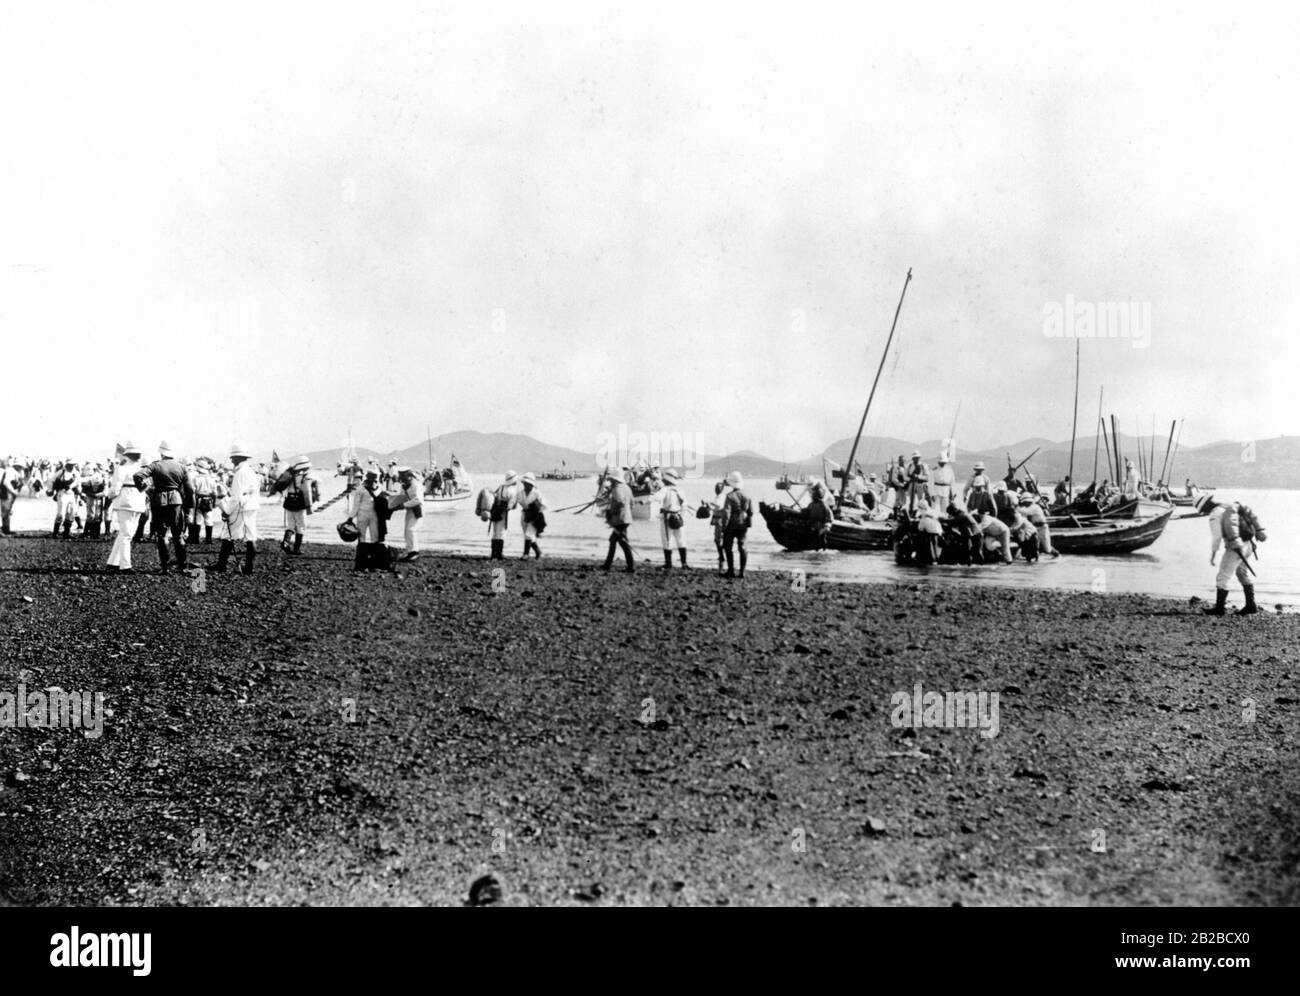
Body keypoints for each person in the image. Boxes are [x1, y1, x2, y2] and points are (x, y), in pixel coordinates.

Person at [1198, 494, 1266, 615]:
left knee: (1222, 577)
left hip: (1236, 548)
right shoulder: (1228, 506)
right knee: (1242, 573)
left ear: (1204, 508)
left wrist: (1213, 554)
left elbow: (1217, 536)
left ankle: (1219, 609)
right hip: (1248, 544)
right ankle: (1251, 605)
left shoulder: (1214, 515)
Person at [139, 441, 192, 574]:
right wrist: (189, 508)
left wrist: (142, 488)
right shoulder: (181, 467)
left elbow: (138, 475)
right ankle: (182, 567)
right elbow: (190, 489)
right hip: (176, 501)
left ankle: (165, 568)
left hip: (159, 501)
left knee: (162, 535)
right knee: (178, 535)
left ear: (161, 453)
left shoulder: (155, 465)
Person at [208, 442, 260, 575]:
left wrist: (226, 511)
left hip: (241, 507)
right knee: (250, 535)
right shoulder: (251, 472)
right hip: (251, 506)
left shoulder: (240, 473)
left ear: (238, 458)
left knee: (228, 534)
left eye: (233, 457)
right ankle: (249, 568)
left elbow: (236, 497)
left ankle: (221, 565)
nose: (231, 460)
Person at [106, 443, 148, 571]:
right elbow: (117, 486)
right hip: (131, 501)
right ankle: (125, 565)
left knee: (126, 533)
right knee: (126, 534)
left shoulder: (124, 468)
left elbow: (115, 487)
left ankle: (113, 562)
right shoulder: (133, 468)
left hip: (131, 500)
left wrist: (111, 496)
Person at [345, 469, 391, 572]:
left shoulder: (379, 488)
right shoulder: (361, 488)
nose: (374, 479)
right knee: (362, 537)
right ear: (368, 477)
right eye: (372, 477)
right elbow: (356, 505)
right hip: (363, 515)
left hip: (374, 515)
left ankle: (372, 562)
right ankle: (362, 562)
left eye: (375, 477)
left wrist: (350, 517)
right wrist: (351, 516)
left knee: (375, 538)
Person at [384, 466, 424, 562]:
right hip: (410, 509)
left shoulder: (415, 485)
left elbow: (418, 500)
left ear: (408, 475)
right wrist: (394, 503)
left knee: (411, 530)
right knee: (407, 531)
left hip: (417, 509)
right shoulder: (404, 485)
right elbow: (402, 496)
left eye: (403, 476)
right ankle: (409, 551)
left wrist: (403, 505)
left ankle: (415, 552)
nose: (402, 478)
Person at [279, 456, 315, 556]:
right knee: (301, 525)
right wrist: (309, 506)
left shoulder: (291, 475)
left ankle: (285, 543)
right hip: (299, 502)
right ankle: (296, 549)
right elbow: (307, 492)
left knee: (290, 524)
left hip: (289, 501)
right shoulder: (306, 476)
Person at [719, 471, 752, 580]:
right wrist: (748, 523)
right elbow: (751, 512)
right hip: (743, 524)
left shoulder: (729, 496)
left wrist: (723, 527)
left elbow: (727, 513)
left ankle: (731, 570)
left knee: (728, 547)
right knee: (742, 547)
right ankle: (742, 571)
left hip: (731, 525)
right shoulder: (747, 495)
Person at [602, 468, 635, 573]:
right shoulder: (627, 488)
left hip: (619, 520)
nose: (610, 481)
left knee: (623, 542)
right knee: (614, 540)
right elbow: (632, 504)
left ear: (615, 480)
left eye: (611, 479)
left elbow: (619, 502)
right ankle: (607, 564)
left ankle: (630, 566)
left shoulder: (616, 489)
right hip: (626, 519)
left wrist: (611, 513)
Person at [656, 469, 688, 568]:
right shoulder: (680, 490)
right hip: (678, 516)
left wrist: (643, 501)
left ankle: (668, 564)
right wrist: (682, 517)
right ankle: (684, 563)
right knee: (681, 540)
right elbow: (684, 506)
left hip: (668, 517)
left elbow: (656, 498)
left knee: (667, 540)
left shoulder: (665, 489)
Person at [486, 470, 519, 561]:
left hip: (495, 511)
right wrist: (509, 508)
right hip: (503, 513)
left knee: (495, 531)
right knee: (501, 533)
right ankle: (499, 554)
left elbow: (494, 496)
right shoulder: (512, 490)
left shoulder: (501, 487)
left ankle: (493, 553)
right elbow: (511, 505)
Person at [189, 458, 222, 545]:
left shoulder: (195, 479)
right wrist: (214, 503)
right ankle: (208, 539)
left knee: (198, 519)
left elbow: (193, 491)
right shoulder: (212, 479)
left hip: (199, 499)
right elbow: (215, 493)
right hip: (209, 500)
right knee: (209, 519)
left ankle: (196, 539)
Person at [1018, 491, 1058, 557]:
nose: (1024, 503)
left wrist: (1016, 507)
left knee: (1047, 549)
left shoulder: (1035, 507)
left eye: (1025, 502)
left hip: (1042, 528)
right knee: (1032, 545)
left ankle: (1057, 555)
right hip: (1034, 529)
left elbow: (1024, 512)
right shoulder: (1027, 507)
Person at [47, 459, 81, 538]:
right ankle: (55, 533)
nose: (71, 466)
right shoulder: (61, 472)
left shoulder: (76, 473)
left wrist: (79, 492)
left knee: (70, 513)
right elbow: (51, 480)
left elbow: (78, 483)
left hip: (71, 494)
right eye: (70, 464)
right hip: (62, 493)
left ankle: (66, 533)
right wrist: (51, 490)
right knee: (60, 513)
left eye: (73, 464)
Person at [517, 472, 547, 559]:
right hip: (525, 515)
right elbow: (519, 503)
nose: (526, 485)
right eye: (525, 483)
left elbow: (544, 505)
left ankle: (526, 554)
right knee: (528, 535)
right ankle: (538, 552)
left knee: (528, 534)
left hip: (535, 517)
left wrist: (536, 511)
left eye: (528, 484)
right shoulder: (520, 493)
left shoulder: (537, 493)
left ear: (532, 484)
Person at [0, 457, 22, 535]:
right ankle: (5, 530)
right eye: (20, 466)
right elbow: (6, 482)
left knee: (7, 511)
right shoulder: (11, 471)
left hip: (8, 493)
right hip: (6, 492)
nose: (20, 468)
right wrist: (14, 492)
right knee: (5, 511)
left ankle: (6, 529)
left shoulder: (13, 471)